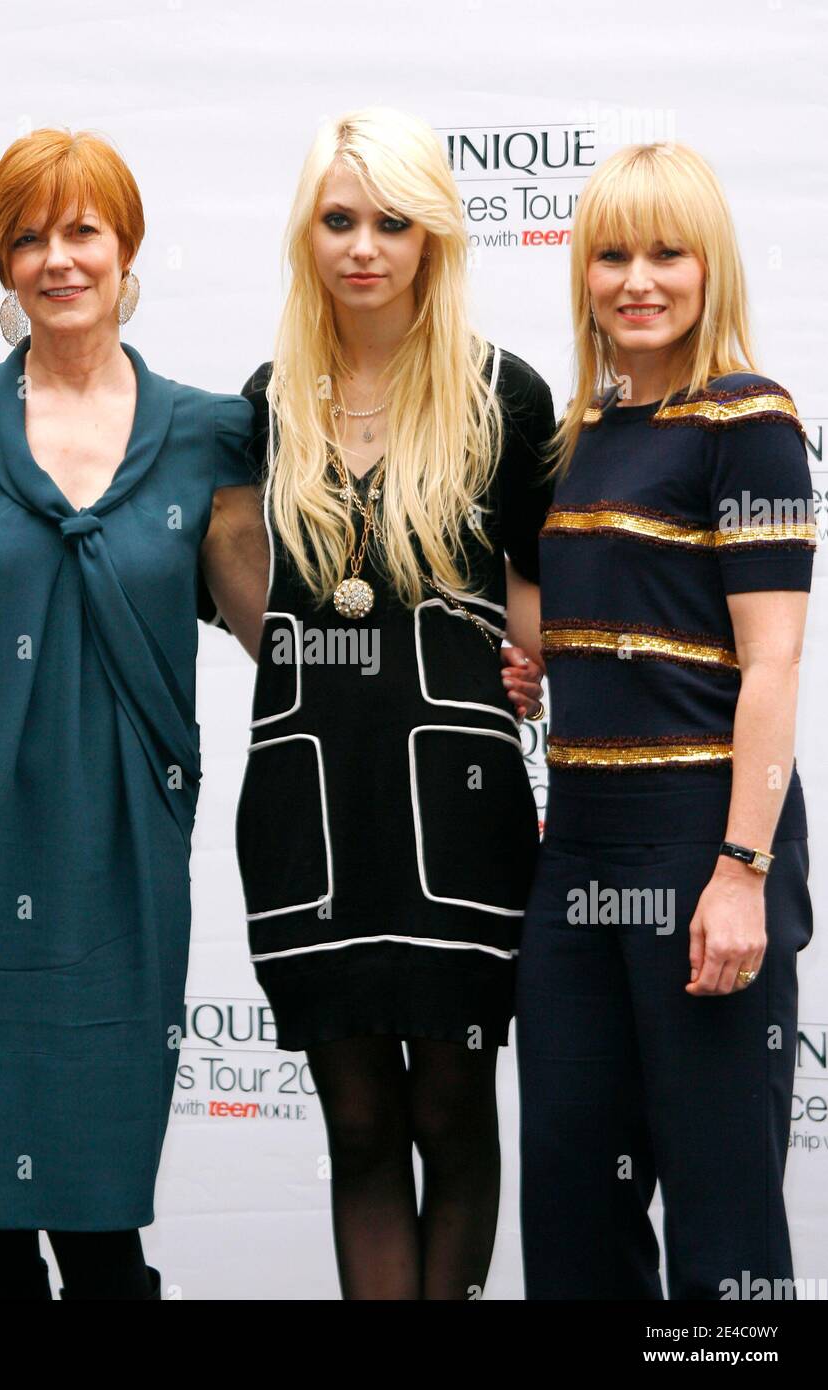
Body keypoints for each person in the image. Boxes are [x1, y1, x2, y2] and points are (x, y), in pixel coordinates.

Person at [0, 128, 267, 1300]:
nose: (57, 258)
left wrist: (486, 650)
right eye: (26, 236)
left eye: (82, 230)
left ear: (127, 247)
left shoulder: (207, 436)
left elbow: (268, 630)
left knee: (98, 1219)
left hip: (120, 860)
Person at [234, 107, 554, 1300]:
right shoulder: (266, 405)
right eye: (339, 219)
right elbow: (230, 591)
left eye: (392, 222)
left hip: (458, 815)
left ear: (434, 240)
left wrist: (534, 674)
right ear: (307, 236)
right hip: (307, 812)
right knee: (359, 1124)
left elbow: (535, 588)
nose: (364, 245)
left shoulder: (504, 395)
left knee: (452, 1109)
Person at [516, 142, 816, 1299]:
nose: (636, 279)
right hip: (579, 848)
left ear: (712, 268)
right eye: (611, 253)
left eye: (666, 252)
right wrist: (539, 664)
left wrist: (741, 867)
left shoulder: (749, 419)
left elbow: (774, 663)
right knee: (574, 1212)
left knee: (722, 1208)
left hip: (705, 840)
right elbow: (615, 615)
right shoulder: (583, 432)